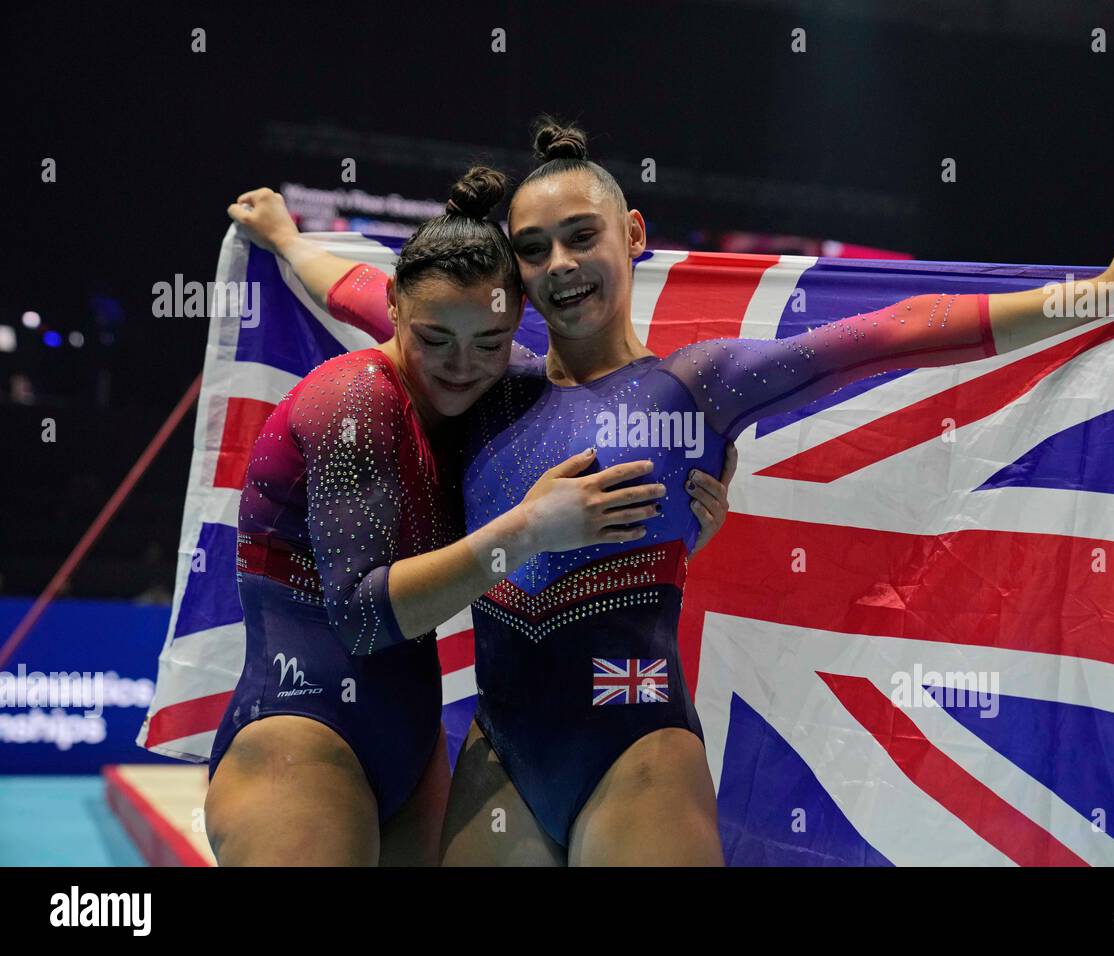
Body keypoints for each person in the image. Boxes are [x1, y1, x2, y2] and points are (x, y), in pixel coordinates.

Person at [312, 119, 1114, 865]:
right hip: (497, 752)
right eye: (533, 249)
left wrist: (1095, 295)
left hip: (633, 741)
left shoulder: (700, 386)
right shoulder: (492, 386)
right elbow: (371, 300)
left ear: (634, 232)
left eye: (583, 236)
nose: (560, 263)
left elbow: (883, 337)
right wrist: (283, 240)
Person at [203, 166, 736, 866]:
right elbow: (363, 619)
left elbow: (349, 286)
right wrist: (527, 529)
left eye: (490, 342)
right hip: (299, 735)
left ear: (513, 324)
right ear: (398, 310)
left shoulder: (486, 385)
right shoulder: (354, 401)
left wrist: (684, 505)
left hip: (410, 752)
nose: (462, 365)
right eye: (437, 338)